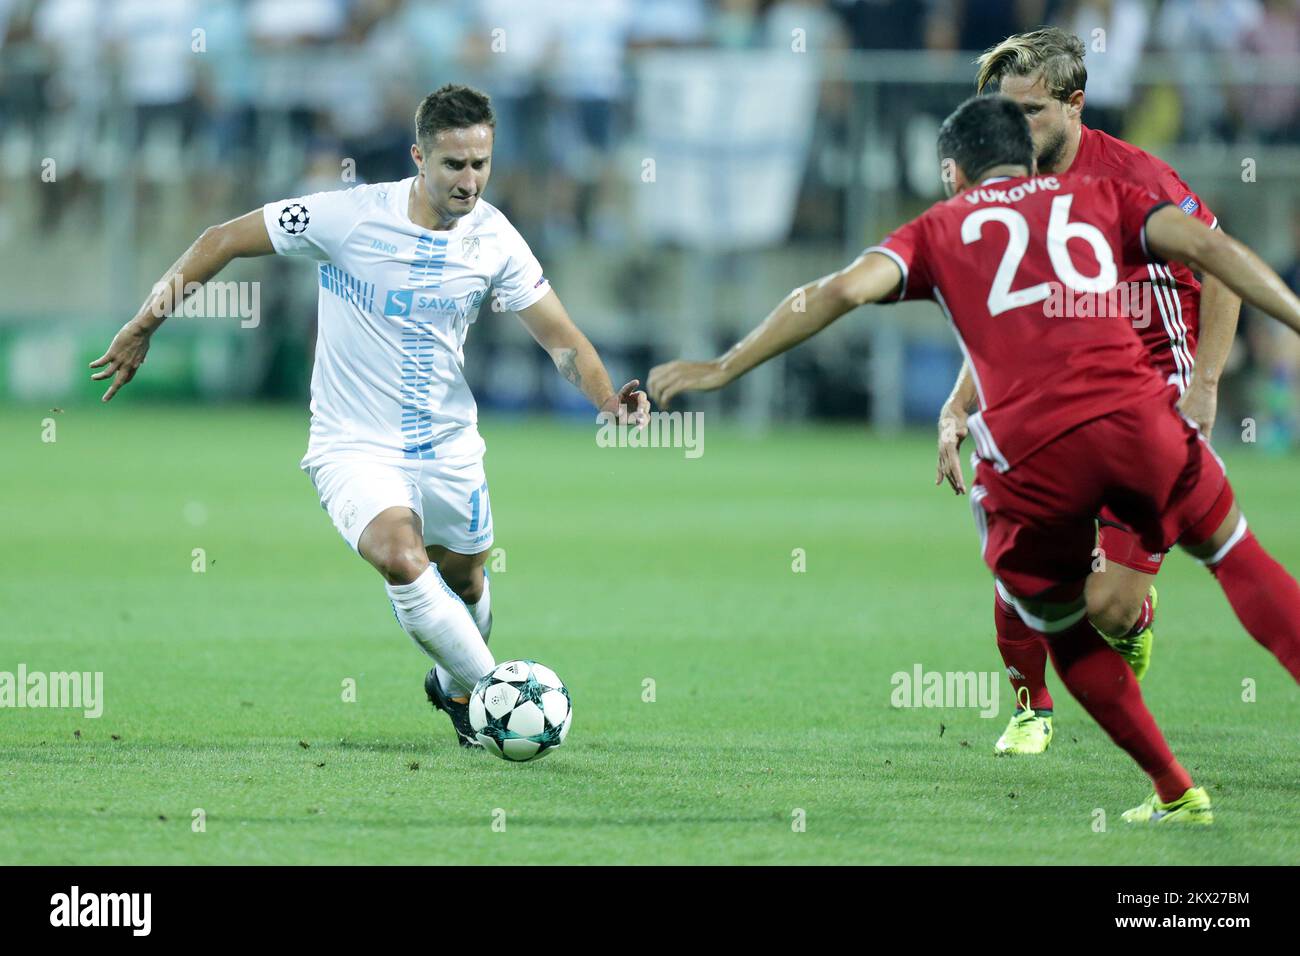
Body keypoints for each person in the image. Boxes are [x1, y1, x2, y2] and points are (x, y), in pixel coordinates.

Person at [648, 94, 1300, 823]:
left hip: (1035, 455)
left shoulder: (938, 228)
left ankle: (1175, 788)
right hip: (1138, 422)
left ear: (953, 173)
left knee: (1057, 620)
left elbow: (832, 293)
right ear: (1028, 158)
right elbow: (1215, 250)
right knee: (1237, 555)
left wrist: (724, 367)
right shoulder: (1100, 193)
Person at [89, 84, 648, 748]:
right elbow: (222, 239)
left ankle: (455, 685)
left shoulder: (495, 238)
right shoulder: (347, 216)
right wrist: (144, 325)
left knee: (465, 574)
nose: (469, 180)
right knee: (399, 555)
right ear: (419, 157)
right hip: (352, 443)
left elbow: (562, 339)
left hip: (448, 445)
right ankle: (495, 698)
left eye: (481, 164)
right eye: (453, 165)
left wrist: (607, 399)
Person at [935, 28, 1243, 754]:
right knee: (1025, 534)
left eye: (1033, 112)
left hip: (1152, 396)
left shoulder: (1138, 179)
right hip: (1058, 388)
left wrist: (1205, 386)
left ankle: (1131, 618)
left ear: (1076, 106)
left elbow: (1225, 265)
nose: (1015, 129)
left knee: (1104, 603)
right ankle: (1029, 707)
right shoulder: (1005, 186)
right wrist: (957, 409)